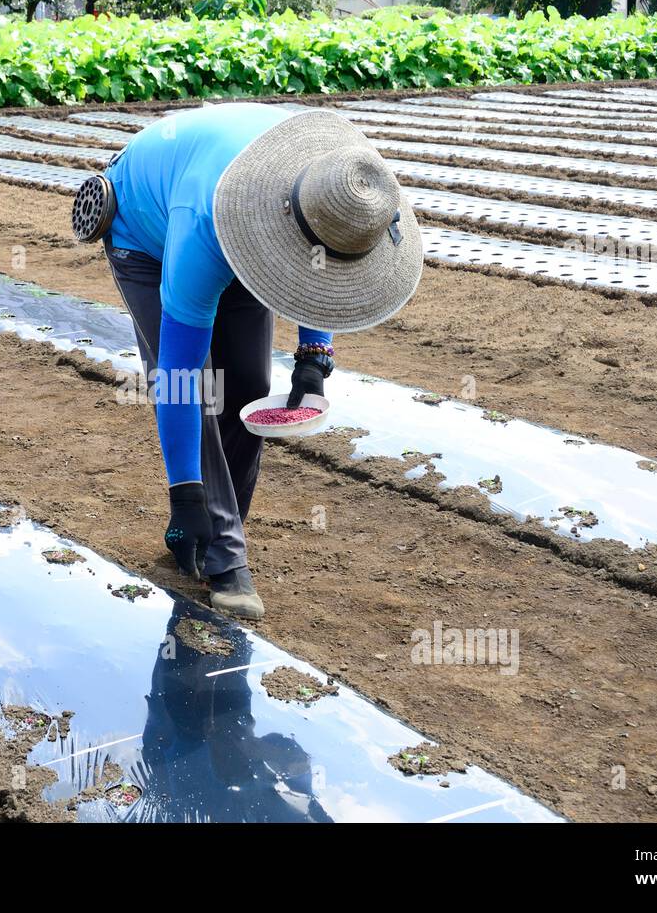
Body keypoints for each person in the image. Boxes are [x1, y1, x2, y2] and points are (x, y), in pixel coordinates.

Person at [80, 103, 423, 620]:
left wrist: (314, 358)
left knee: (248, 383)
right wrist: (185, 496)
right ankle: (224, 556)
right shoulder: (201, 230)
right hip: (146, 234)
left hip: (263, 225)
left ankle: (218, 532)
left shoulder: (341, 183)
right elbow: (177, 380)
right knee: (204, 388)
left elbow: (324, 269)